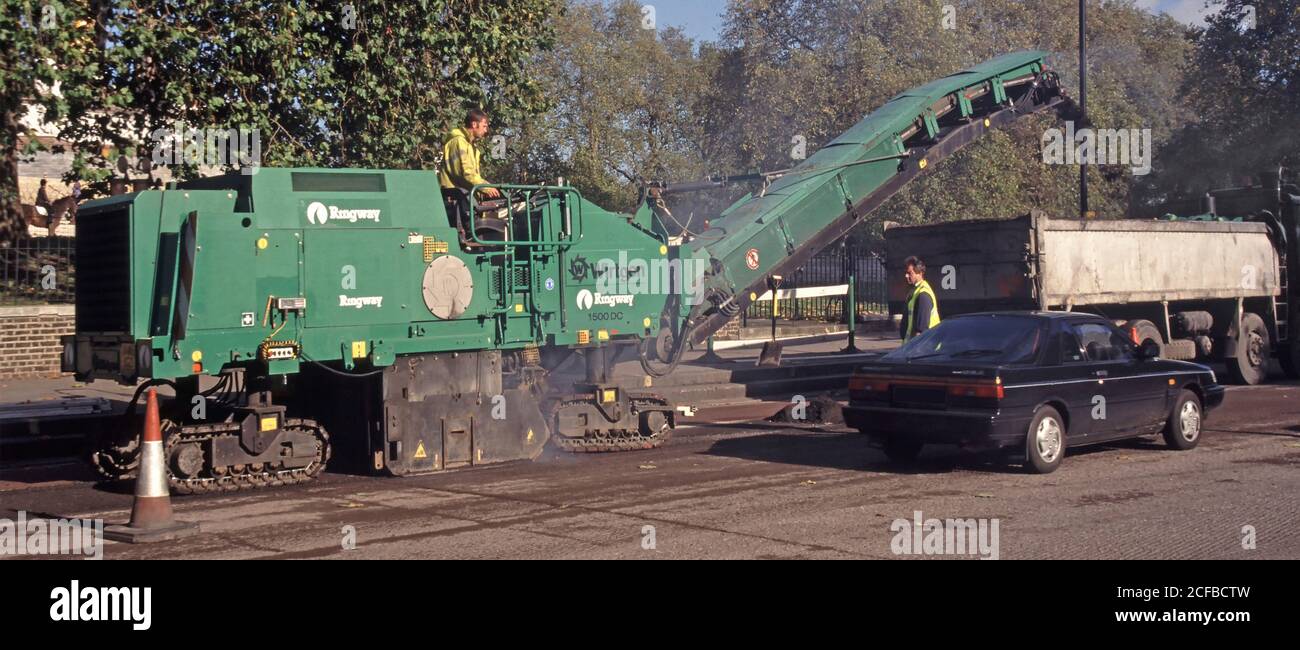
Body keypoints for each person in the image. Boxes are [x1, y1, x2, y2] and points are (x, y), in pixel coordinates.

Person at [439, 109, 501, 202]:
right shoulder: (458, 142)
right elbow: (466, 173)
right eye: (484, 126)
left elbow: (472, 176)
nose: (485, 130)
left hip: (464, 198)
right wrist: (486, 188)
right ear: (474, 124)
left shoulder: (471, 146)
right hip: (454, 200)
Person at [900, 255, 940, 342]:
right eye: (906, 273)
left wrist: (916, 351)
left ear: (920, 273)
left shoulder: (923, 294)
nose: (906, 276)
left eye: (910, 273)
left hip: (926, 348)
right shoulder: (914, 291)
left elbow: (922, 330)